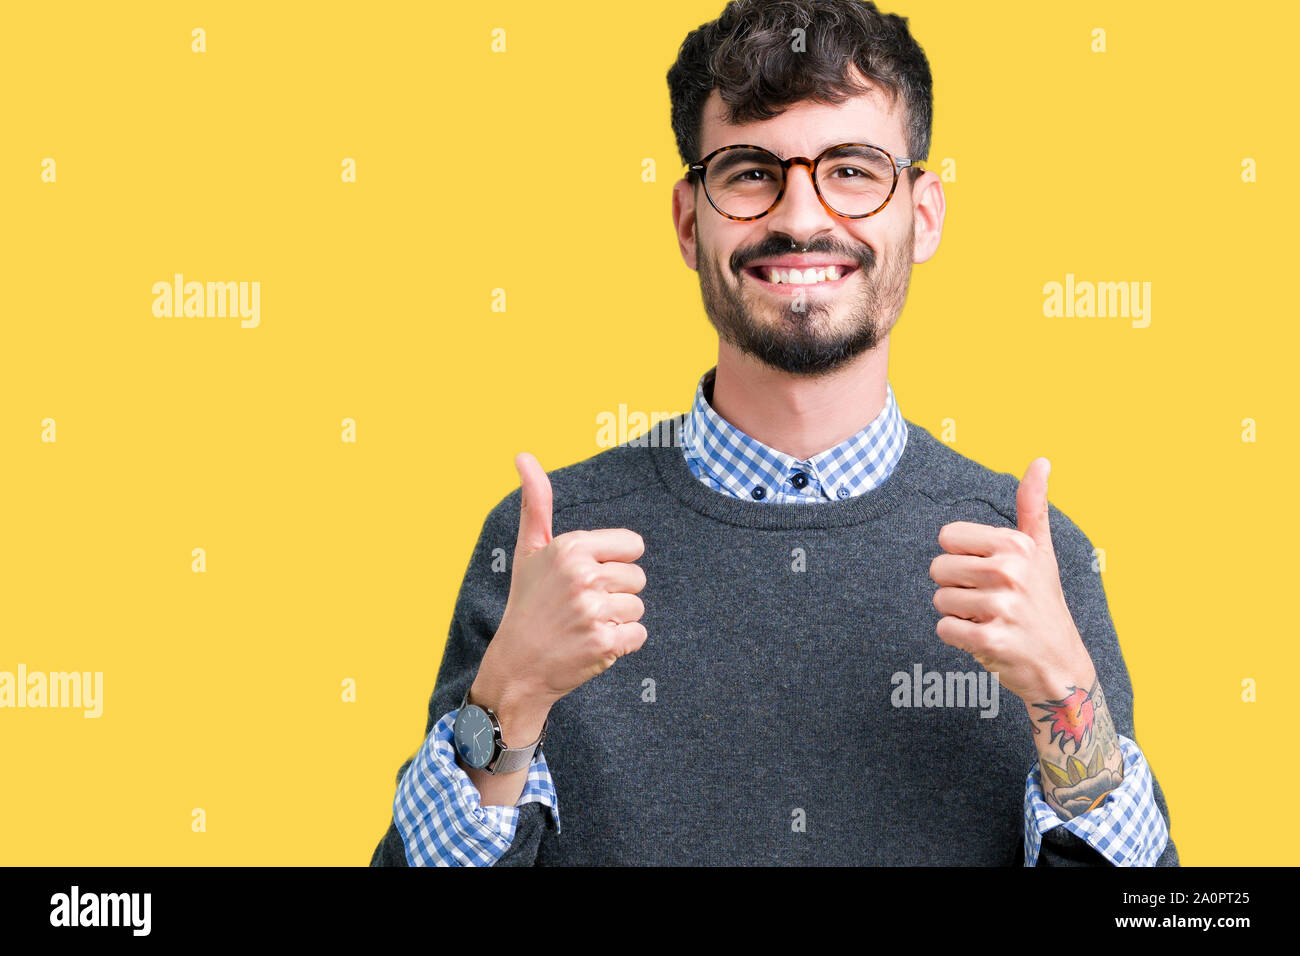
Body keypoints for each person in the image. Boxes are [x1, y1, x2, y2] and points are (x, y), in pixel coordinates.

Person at [370, 0, 1176, 866]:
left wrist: (1067, 694)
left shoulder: (1032, 559)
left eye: (855, 170)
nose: (800, 217)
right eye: (751, 171)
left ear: (926, 212)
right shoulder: (545, 545)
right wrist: (504, 702)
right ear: (689, 220)